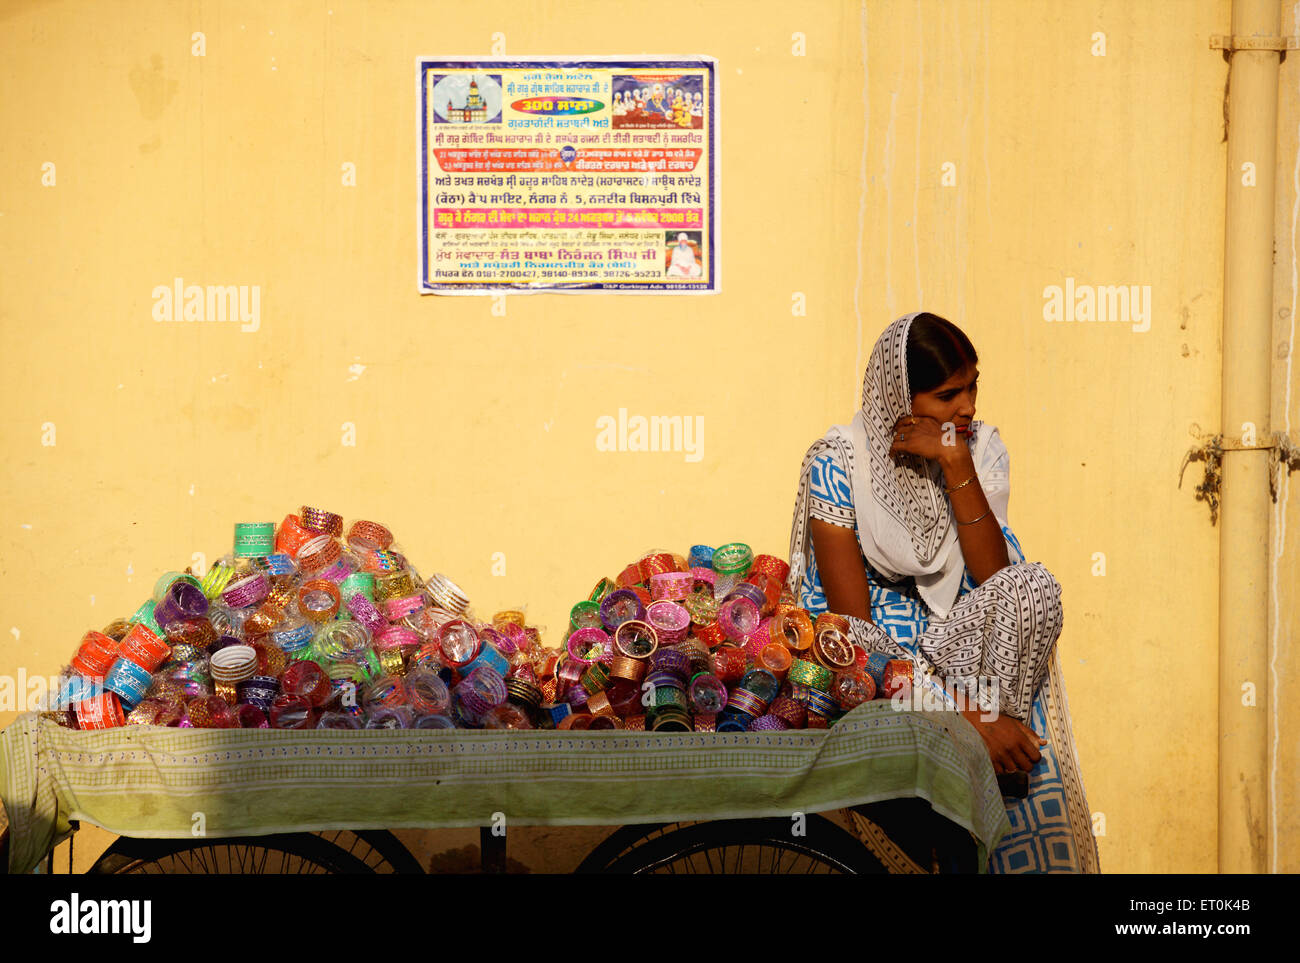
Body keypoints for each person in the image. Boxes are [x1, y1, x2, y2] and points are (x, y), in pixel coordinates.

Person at [785, 310, 1100, 873]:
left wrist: (956, 461)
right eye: (948, 393)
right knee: (962, 738)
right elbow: (853, 632)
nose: (969, 407)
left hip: (972, 650)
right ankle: (976, 763)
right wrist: (974, 717)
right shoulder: (838, 464)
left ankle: (983, 773)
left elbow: (995, 576)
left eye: (974, 385)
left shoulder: (979, 448)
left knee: (1032, 586)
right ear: (898, 396)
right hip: (879, 659)